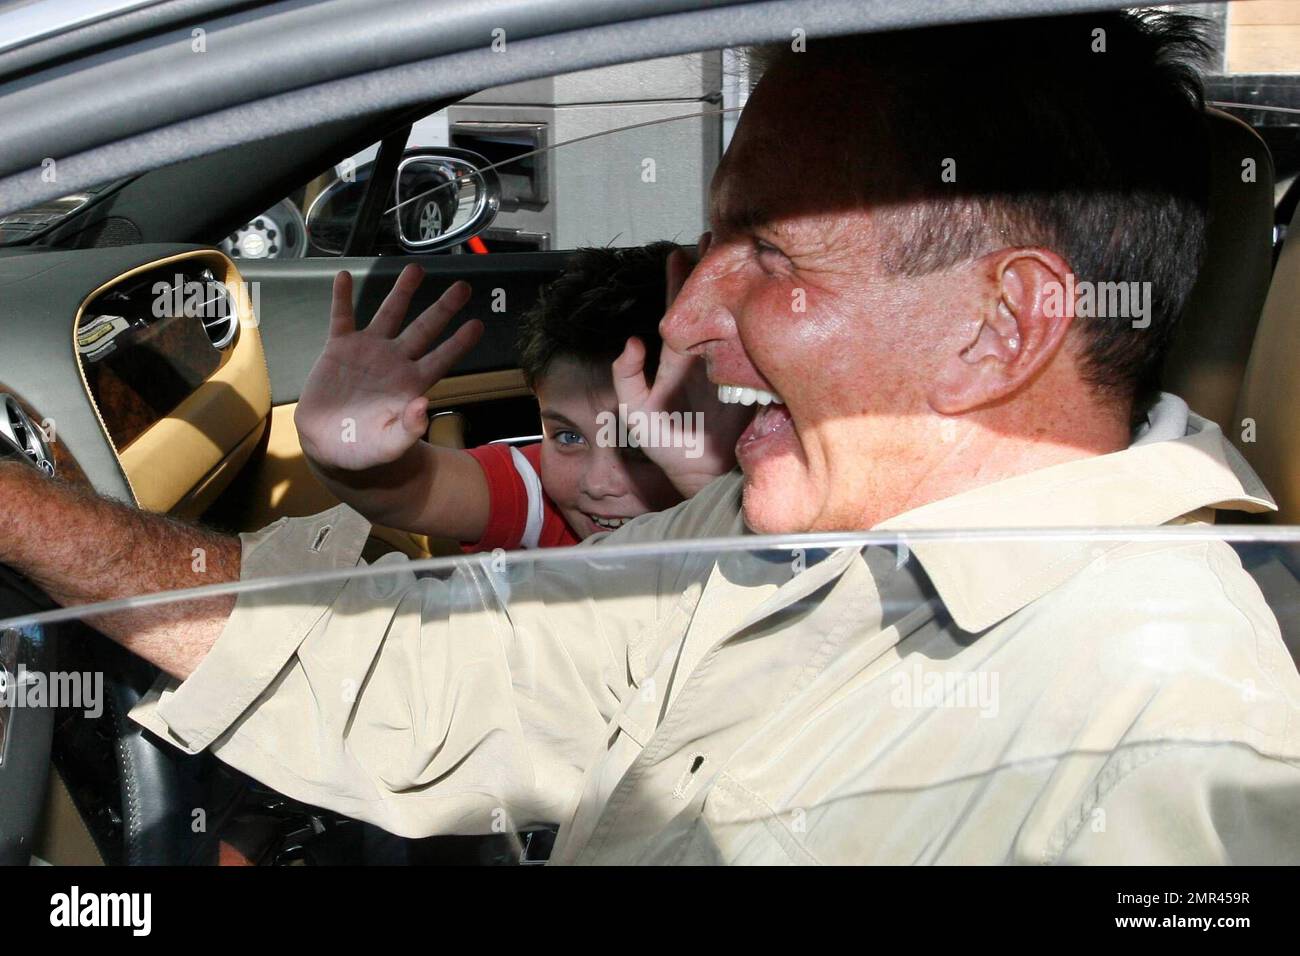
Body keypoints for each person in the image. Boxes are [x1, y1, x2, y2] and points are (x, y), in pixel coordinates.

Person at [2, 10, 1297, 863]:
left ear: (999, 326)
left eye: (772, 257)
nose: (687, 315)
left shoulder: (1174, 754)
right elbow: (422, 681)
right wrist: (26, 512)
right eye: (707, 243)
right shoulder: (786, 528)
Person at [294, 242, 745, 551]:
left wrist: (717, 494)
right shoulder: (546, 501)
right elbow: (411, 491)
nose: (598, 483)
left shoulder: (765, 507)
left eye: (640, 446)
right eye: (568, 437)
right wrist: (340, 453)